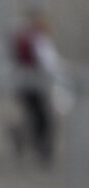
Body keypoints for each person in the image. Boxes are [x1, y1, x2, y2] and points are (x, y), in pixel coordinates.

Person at [9, 5, 69, 166]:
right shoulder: (34, 39)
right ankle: (38, 151)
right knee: (41, 119)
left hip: (28, 85)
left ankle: (21, 143)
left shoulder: (28, 37)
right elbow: (49, 63)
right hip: (31, 85)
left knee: (37, 118)